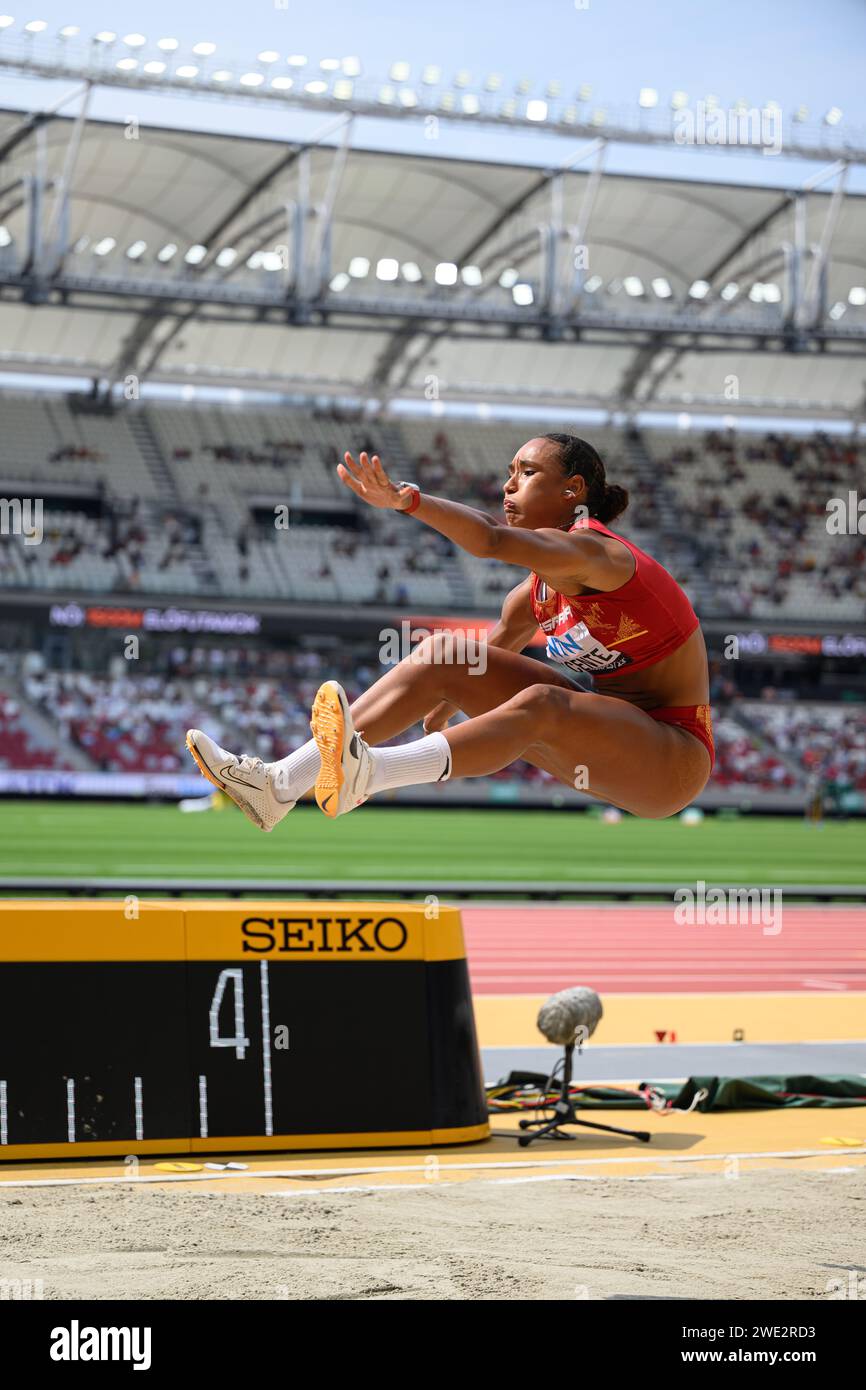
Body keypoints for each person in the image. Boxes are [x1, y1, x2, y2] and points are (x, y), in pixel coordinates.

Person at [186, 435, 714, 830]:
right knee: (444, 653)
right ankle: (277, 786)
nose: (508, 485)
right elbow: (485, 655)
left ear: (571, 491)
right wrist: (439, 701)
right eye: (509, 471)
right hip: (607, 739)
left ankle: (370, 774)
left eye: (526, 473)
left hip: (671, 761)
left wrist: (407, 501)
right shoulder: (537, 593)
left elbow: (487, 539)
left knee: (544, 701)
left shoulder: (597, 554)